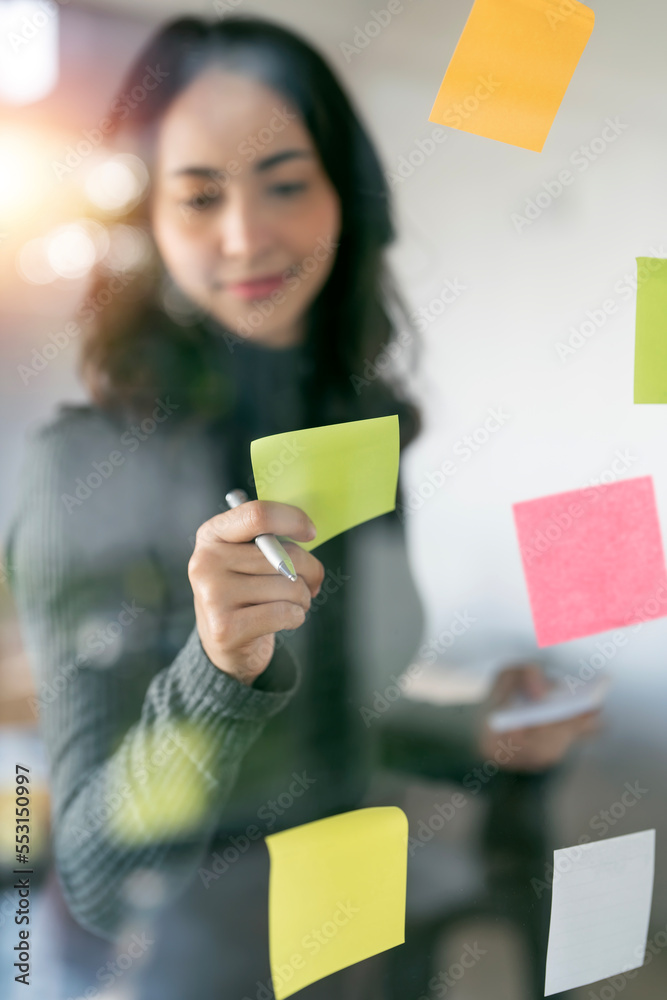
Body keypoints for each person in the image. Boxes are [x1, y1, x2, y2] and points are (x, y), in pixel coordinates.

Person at [4, 16, 598, 999]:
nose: (245, 236)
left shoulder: (362, 430)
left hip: (342, 934)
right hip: (196, 965)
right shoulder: (84, 465)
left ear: (345, 201)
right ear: (147, 220)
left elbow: (340, 717)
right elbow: (103, 872)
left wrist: (474, 733)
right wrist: (220, 667)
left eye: (286, 182)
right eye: (198, 197)